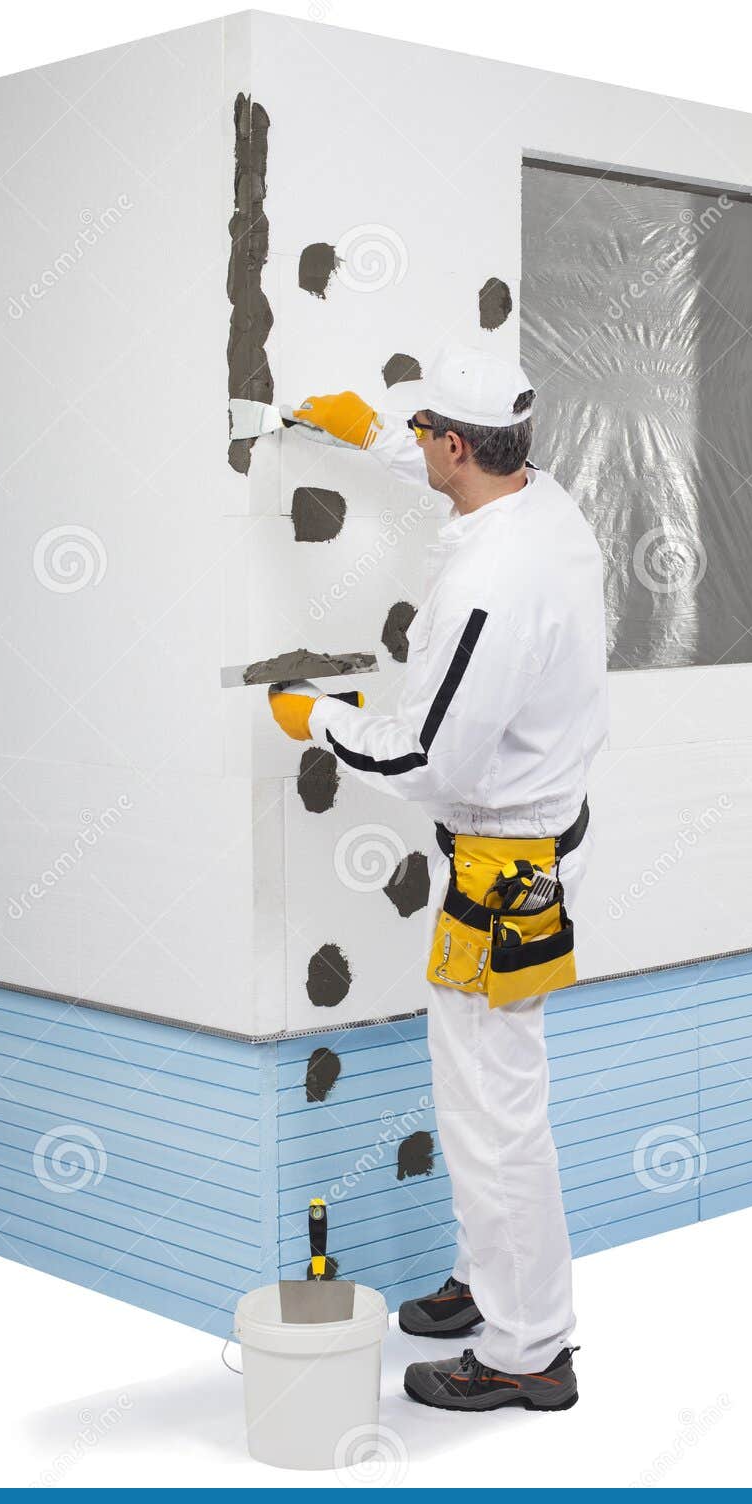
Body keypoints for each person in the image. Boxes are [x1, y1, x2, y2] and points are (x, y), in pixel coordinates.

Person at [265, 345, 607, 1412]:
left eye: (422, 433)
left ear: (456, 444)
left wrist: (312, 715)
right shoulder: (539, 504)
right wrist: (368, 431)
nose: (415, 443)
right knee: (480, 1093)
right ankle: (489, 1283)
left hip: (501, 864)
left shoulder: (490, 585)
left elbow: (427, 759)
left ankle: (524, 1349)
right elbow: (462, 494)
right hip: (529, 838)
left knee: (491, 1109)